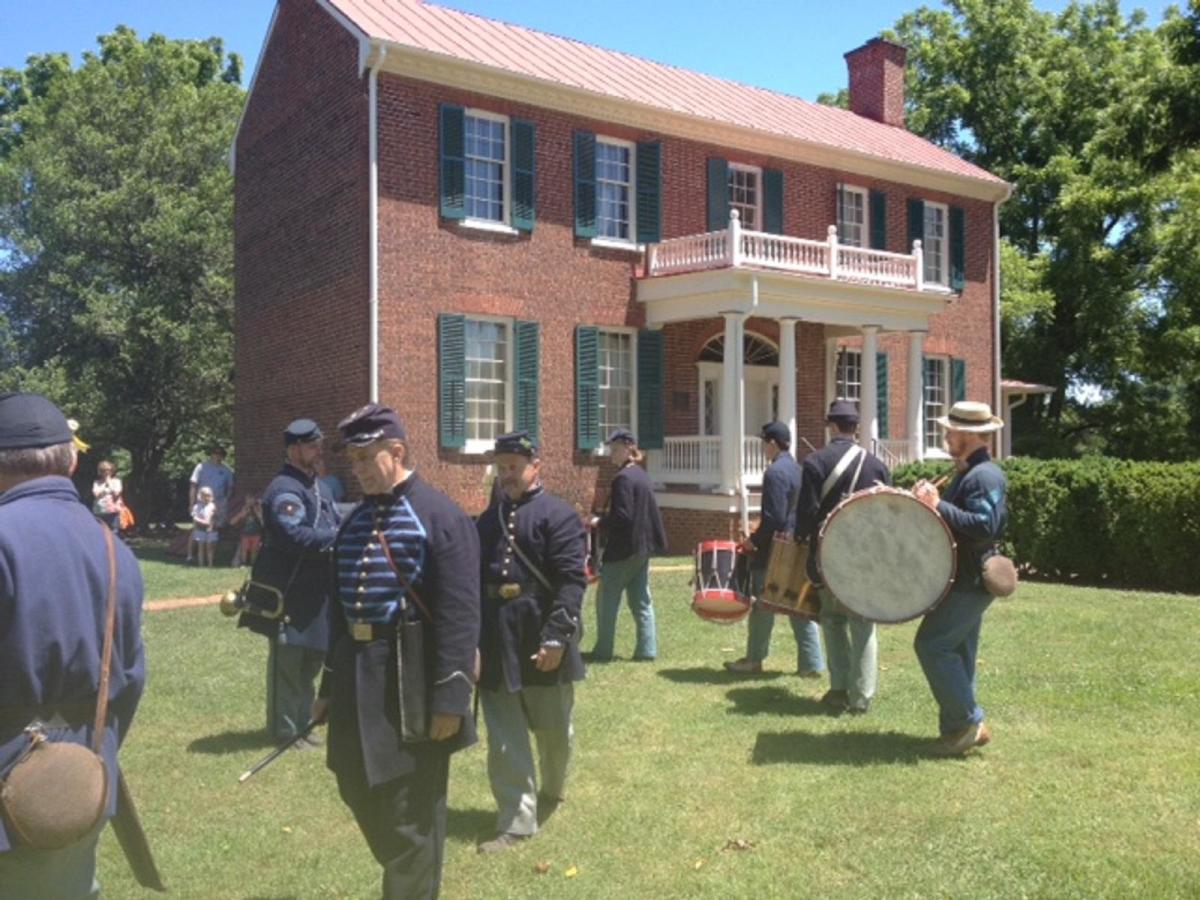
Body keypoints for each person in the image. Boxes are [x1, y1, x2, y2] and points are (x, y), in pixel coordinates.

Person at [312, 404, 479, 899]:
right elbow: (340, 613)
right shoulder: (356, 520)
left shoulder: (439, 516)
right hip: (355, 674)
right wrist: (327, 685)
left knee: (411, 811)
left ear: (398, 451)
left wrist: (451, 699)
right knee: (353, 779)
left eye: (367, 458)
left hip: (412, 679)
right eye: (354, 460)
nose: (358, 469)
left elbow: (460, 615)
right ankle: (411, 868)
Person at [0, 393, 146, 898]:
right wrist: (85, 750)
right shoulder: (115, 550)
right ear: (73, 459)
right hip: (78, 781)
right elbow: (130, 681)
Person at [475, 431, 586, 853]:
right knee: (505, 735)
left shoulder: (558, 516)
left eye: (514, 468)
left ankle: (553, 787)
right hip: (498, 636)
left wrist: (557, 636)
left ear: (535, 466)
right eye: (501, 468)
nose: (507, 476)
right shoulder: (488, 520)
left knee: (553, 729)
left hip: (540, 632)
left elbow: (571, 581)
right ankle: (517, 820)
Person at [912, 400, 1008, 756]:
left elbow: (985, 527)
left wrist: (938, 504)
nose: (946, 435)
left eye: (951, 430)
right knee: (959, 653)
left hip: (969, 580)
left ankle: (970, 721)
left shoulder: (985, 476)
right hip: (960, 578)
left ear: (968, 434)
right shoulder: (967, 472)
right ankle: (957, 732)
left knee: (932, 645)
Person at [239, 419, 339, 744]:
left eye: (318, 443)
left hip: (316, 592)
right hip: (290, 592)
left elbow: (330, 521)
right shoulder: (284, 489)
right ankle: (285, 732)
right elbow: (293, 535)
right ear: (294, 450)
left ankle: (304, 725)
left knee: (311, 660)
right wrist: (338, 537)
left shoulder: (317, 487)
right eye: (312, 445)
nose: (318, 449)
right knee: (289, 664)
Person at [795, 399, 891, 715]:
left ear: (832, 426)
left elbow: (807, 515)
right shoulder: (878, 466)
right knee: (863, 625)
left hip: (828, 556)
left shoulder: (815, 463)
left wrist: (800, 540)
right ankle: (861, 696)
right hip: (866, 557)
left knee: (833, 621)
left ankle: (839, 688)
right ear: (854, 428)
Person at [724, 422, 826, 678]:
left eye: (763, 442)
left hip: (775, 550)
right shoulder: (798, 469)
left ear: (772, 443)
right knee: (797, 604)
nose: (762, 447)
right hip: (798, 544)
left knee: (762, 605)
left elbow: (773, 518)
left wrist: (753, 541)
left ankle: (754, 659)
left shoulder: (774, 473)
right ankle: (811, 664)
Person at [589, 428, 668, 661]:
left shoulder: (623, 478)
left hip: (624, 549)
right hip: (643, 549)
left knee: (606, 599)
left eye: (615, 450)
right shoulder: (642, 475)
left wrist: (598, 521)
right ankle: (647, 650)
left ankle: (603, 651)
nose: (611, 454)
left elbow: (623, 517)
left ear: (628, 449)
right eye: (611, 450)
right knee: (641, 600)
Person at [190, 444, 234, 525]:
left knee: (217, 528)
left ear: (223, 456)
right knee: (200, 527)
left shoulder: (227, 471)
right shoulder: (201, 467)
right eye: (215, 453)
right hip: (202, 504)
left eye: (220, 453)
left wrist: (225, 500)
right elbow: (193, 485)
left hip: (219, 505)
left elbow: (230, 487)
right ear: (211, 454)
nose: (217, 455)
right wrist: (191, 503)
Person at [229, 494, 264, 567]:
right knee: (244, 549)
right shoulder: (243, 509)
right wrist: (243, 513)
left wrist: (257, 511)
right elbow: (232, 522)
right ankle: (243, 563)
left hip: (256, 533)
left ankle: (253, 563)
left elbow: (262, 522)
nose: (250, 501)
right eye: (248, 499)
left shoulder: (257, 509)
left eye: (251, 499)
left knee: (254, 550)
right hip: (245, 534)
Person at [92, 459, 124, 534]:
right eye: (104, 470)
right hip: (100, 511)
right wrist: (104, 487)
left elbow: (116, 494)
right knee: (101, 532)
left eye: (109, 470)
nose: (107, 472)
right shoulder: (97, 483)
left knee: (114, 532)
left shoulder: (117, 481)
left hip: (113, 510)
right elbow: (96, 495)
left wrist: (109, 483)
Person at [191, 485, 218, 567]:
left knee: (210, 547)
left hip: (211, 529)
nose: (206, 498)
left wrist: (197, 519)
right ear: (200, 496)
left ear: (211, 496)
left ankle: (210, 564)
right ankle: (201, 565)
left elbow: (210, 519)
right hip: (200, 529)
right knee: (201, 547)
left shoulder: (212, 506)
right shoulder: (197, 506)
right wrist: (200, 521)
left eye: (208, 495)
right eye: (204, 495)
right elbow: (194, 517)